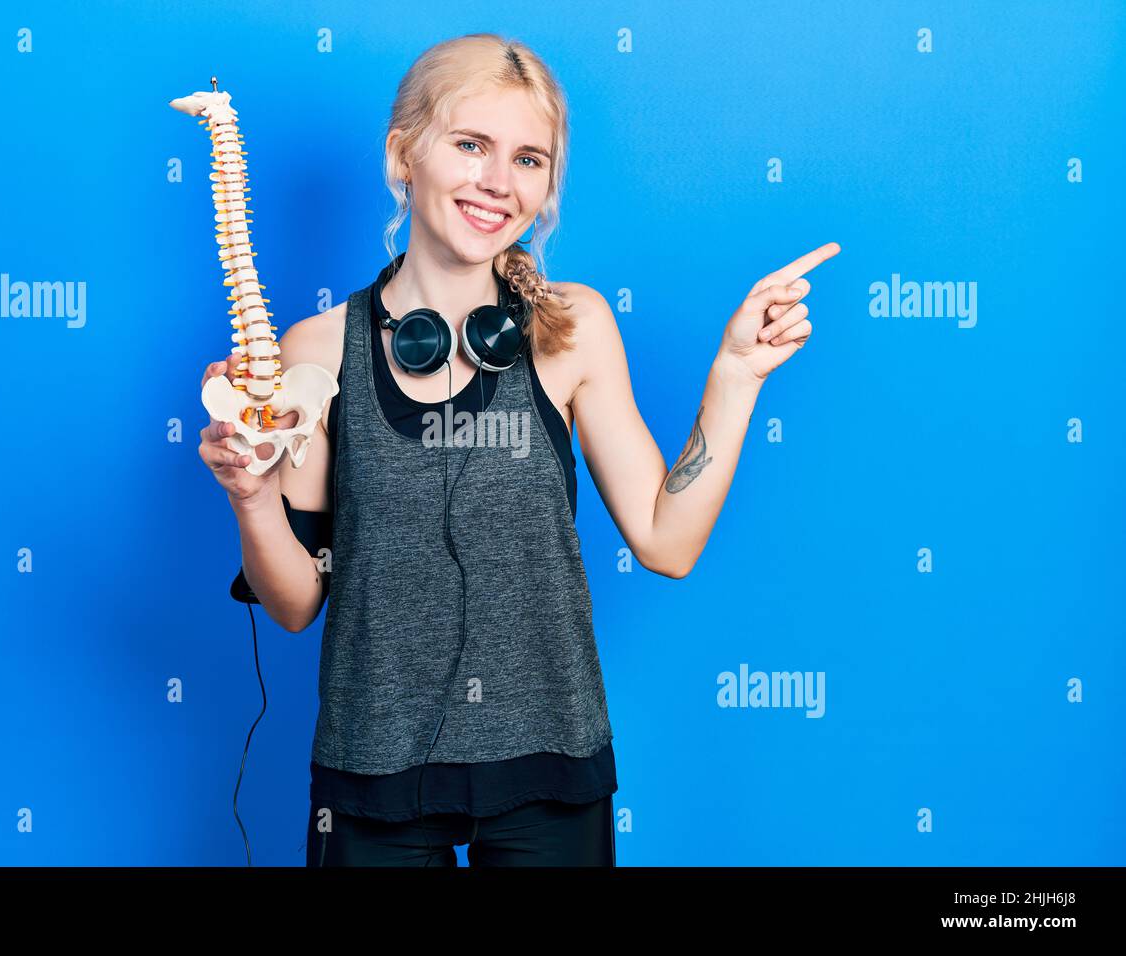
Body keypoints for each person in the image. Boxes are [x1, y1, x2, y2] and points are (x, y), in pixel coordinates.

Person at [198, 33, 839, 867]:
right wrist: (249, 497)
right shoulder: (317, 351)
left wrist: (736, 376)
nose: (499, 182)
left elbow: (666, 541)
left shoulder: (573, 329)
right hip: (372, 766)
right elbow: (293, 605)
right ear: (404, 155)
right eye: (471, 145)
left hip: (549, 764)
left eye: (528, 159)